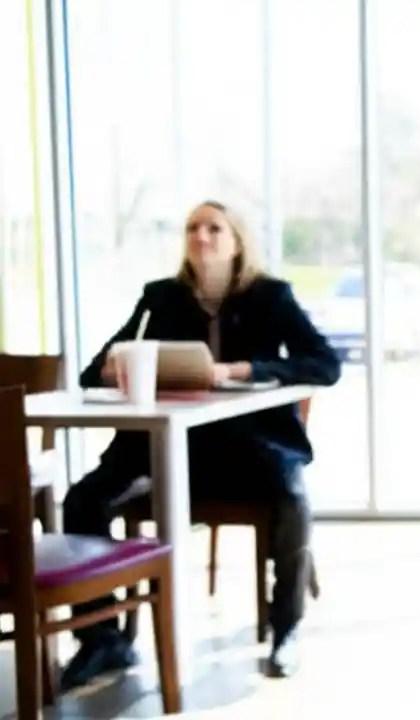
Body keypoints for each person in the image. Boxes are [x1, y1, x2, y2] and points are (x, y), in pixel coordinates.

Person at [61, 200, 341, 688]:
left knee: (292, 498)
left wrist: (241, 370)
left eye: (214, 228)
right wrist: (114, 366)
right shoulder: (160, 297)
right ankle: (102, 638)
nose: (201, 236)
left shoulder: (270, 296)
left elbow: (324, 364)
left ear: (237, 241)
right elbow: (94, 371)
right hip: (163, 449)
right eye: (192, 227)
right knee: (83, 499)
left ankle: (286, 628)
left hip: (250, 444)